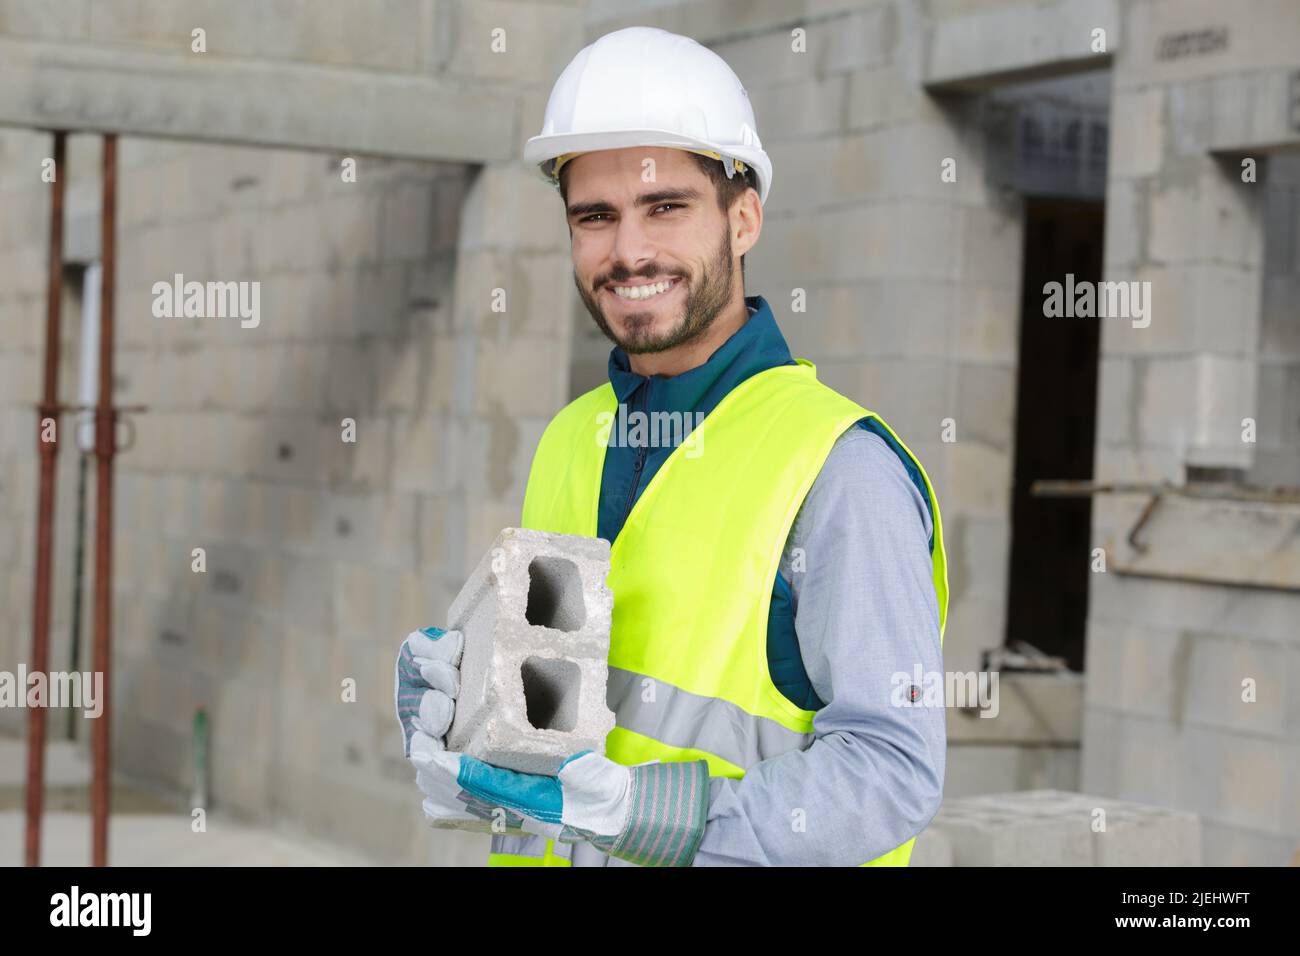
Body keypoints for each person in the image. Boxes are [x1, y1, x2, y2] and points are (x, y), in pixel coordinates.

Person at [395, 25, 949, 867]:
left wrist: (660, 817)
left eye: (666, 207)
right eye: (596, 216)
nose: (629, 251)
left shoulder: (841, 469)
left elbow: (893, 773)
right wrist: (467, 719)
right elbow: (565, 734)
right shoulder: (570, 437)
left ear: (744, 218)